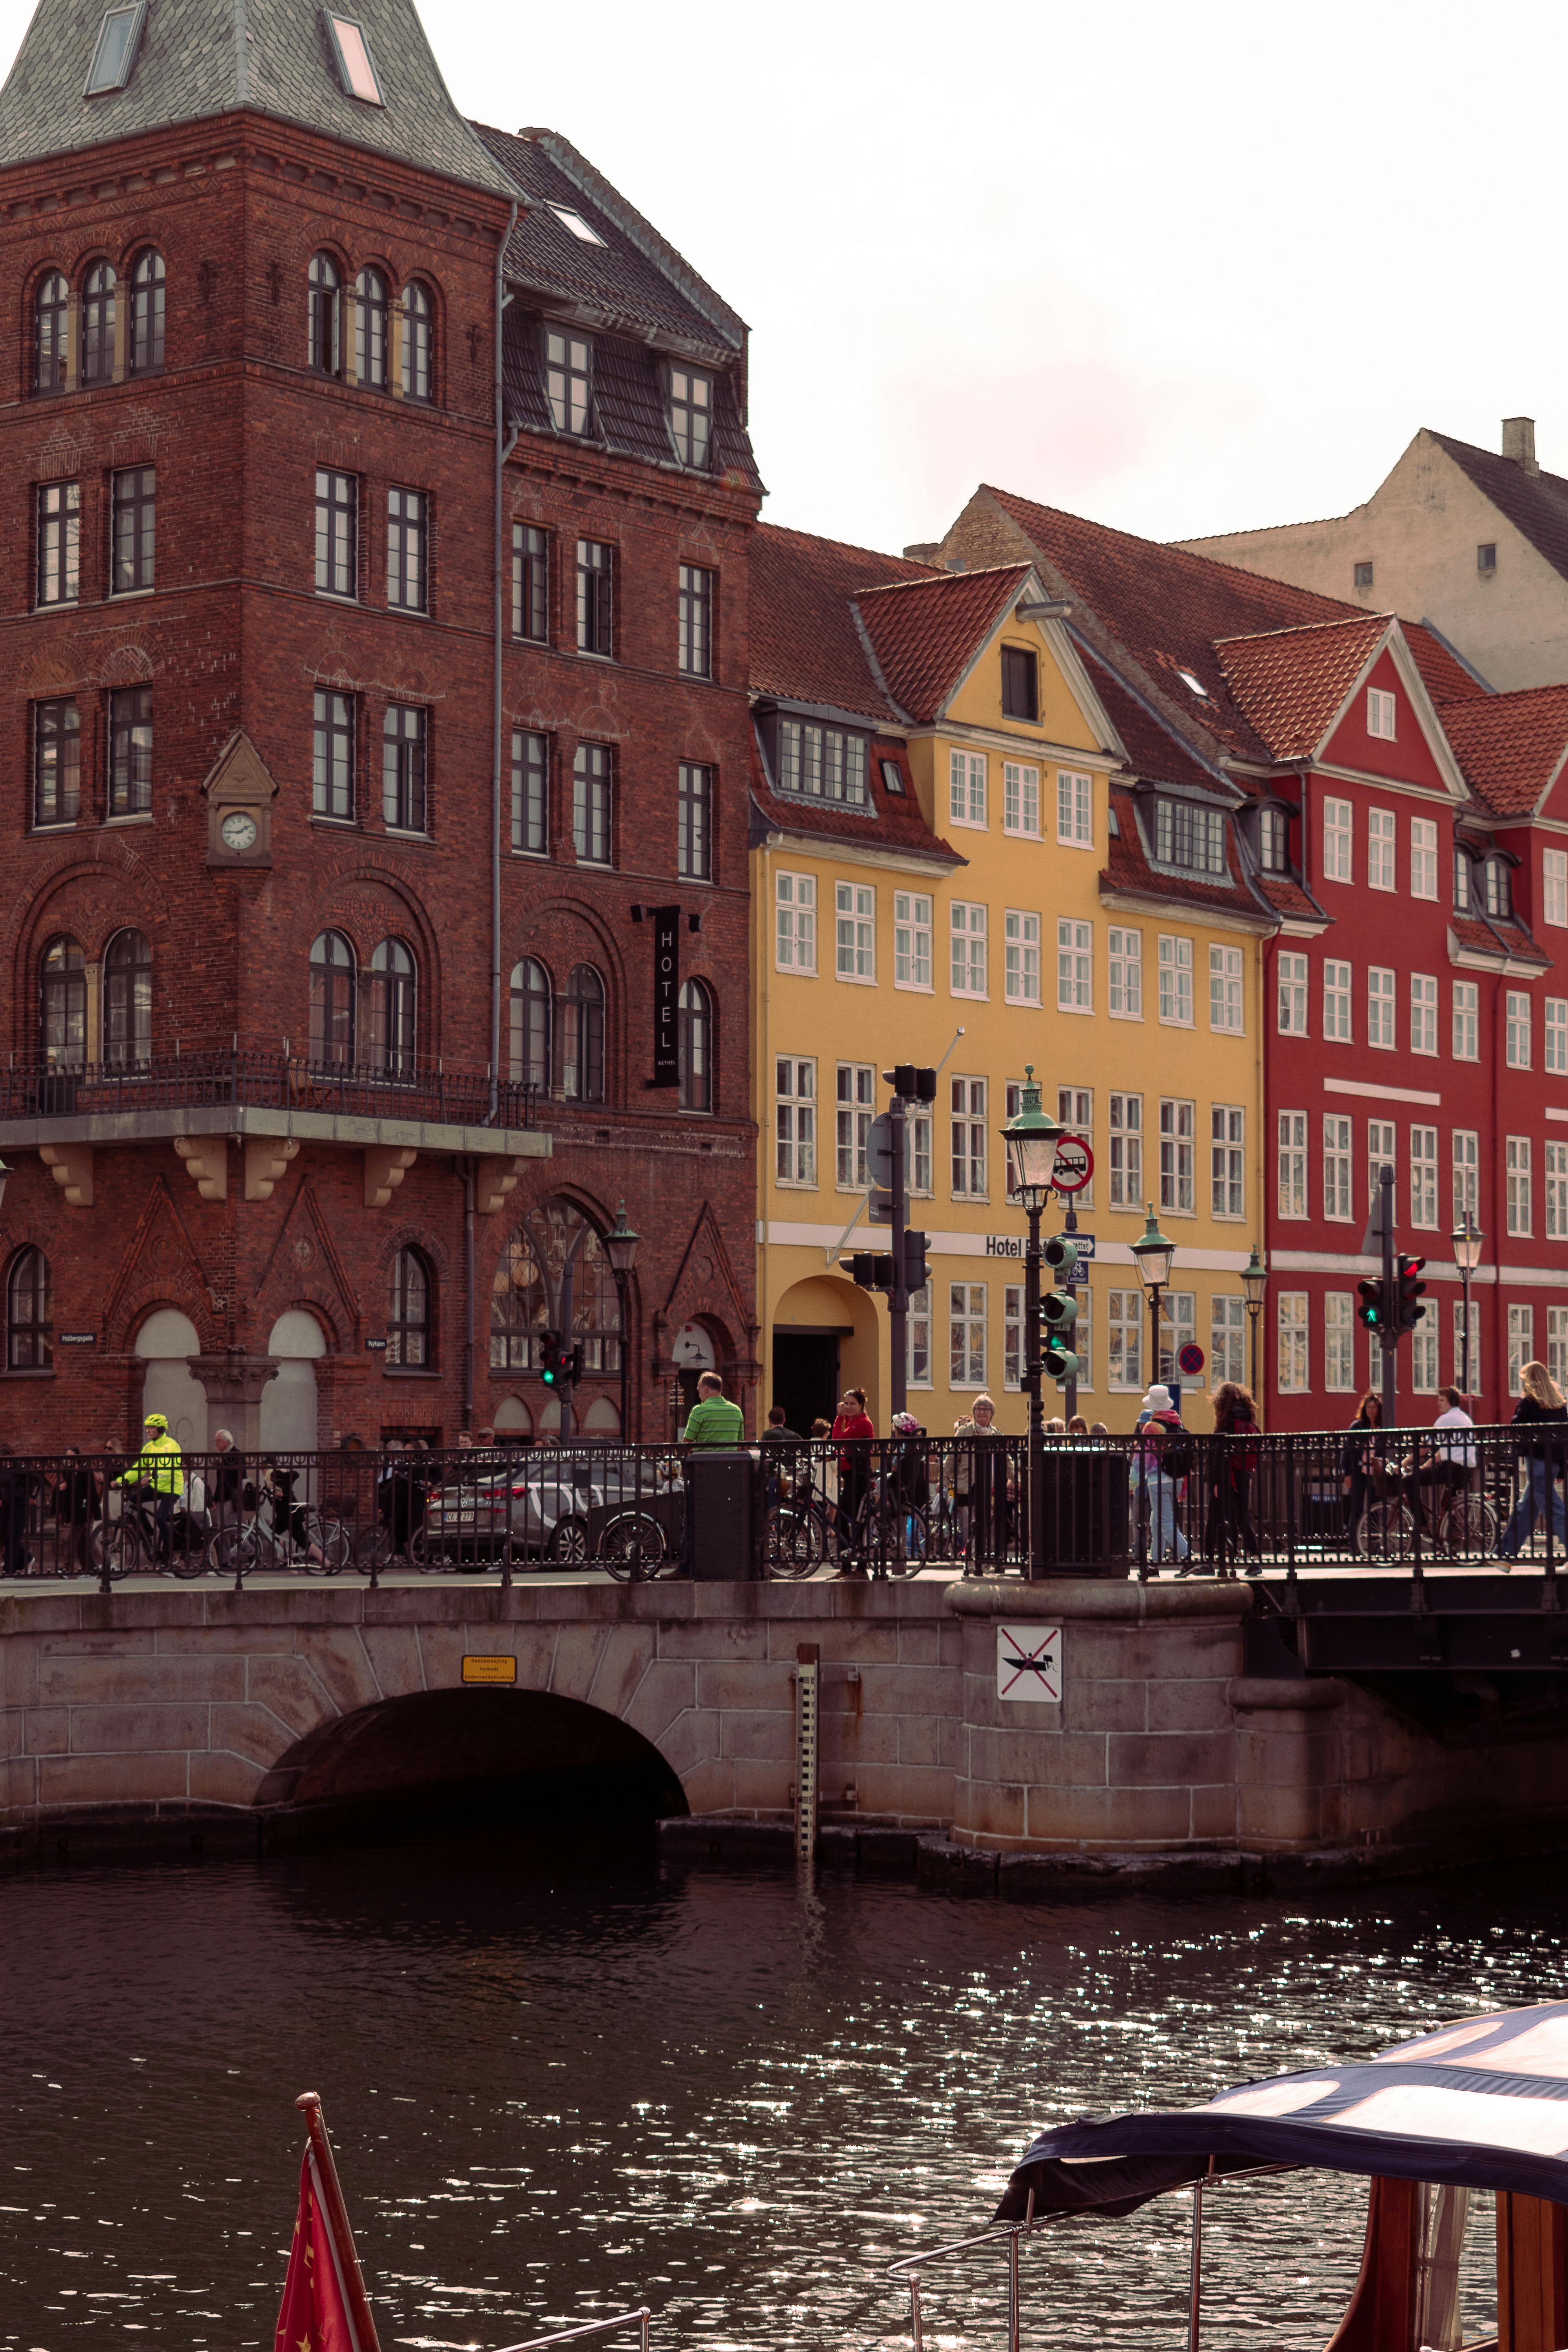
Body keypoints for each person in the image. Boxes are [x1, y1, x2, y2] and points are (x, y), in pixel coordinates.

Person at [1497, 1362, 1568, 1566]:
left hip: (1536, 1462)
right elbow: (1563, 1440)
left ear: (1529, 1381)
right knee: (1525, 1509)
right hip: (1553, 1463)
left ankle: (1504, 1555)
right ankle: (1504, 1556)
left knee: (1553, 1509)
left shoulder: (1529, 1402)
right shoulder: (1559, 1404)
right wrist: (1562, 1468)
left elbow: (1516, 1429)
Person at [1205, 1381, 1261, 1576]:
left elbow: (1218, 1455)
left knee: (1214, 1518)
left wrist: (1216, 1482)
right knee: (1242, 1517)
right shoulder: (1248, 1420)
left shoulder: (1226, 1423)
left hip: (1226, 1476)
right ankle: (1254, 1560)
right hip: (1244, 1475)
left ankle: (1209, 1562)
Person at [114, 1411, 184, 1565]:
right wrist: (121, 1480)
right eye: (147, 1428)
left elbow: (169, 1469)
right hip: (156, 1486)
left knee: (160, 1517)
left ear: (160, 1429)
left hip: (172, 1488)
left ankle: (169, 1554)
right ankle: (147, 1531)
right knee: (132, 1502)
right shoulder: (148, 1448)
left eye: (151, 1428)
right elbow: (138, 1468)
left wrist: (151, 1478)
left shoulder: (172, 1446)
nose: (148, 1431)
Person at [1132, 1385, 1189, 1572]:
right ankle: (1154, 1563)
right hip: (1176, 1479)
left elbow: (1142, 1457)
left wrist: (1133, 1482)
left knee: (1164, 1522)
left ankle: (1189, 1558)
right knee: (1156, 1520)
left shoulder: (1151, 1426)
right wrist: (1184, 1489)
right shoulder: (1177, 1424)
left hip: (1158, 1480)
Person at [953, 1393, 1009, 1570]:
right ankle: (970, 1560)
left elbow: (1007, 1460)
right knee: (967, 1524)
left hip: (989, 1485)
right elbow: (951, 1458)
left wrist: (1016, 1478)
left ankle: (985, 1559)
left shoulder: (997, 1433)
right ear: (974, 1412)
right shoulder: (964, 1432)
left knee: (986, 1524)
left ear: (992, 1413)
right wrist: (945, 1479)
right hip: (967, 1484)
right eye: (979, 1408)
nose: (982, 1412)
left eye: (986, 1409)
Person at [1415, 1388, 1477, 1533]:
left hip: (1451, 1469)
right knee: (1448, 1507)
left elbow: (1425, 1447)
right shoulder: (1465, 1418)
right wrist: (1425, 1466)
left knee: (1409, 1481)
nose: (1438, 1403)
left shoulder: (1446, 1419)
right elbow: (1445, 1453)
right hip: (1465, 1470)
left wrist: (1405, 1463)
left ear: (1450, 1402)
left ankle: (1422, 1525)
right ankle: (1449, 1540)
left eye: (1441, 1400)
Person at [831, 1388, 875, 1572]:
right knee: (848, 1521)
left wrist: (839, 1418)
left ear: (861, 1406)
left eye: (852, 1404)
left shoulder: (862, 1423)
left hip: (858, 1477)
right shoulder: (854, 1421)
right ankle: (849, 1567)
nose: (848, 1407)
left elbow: (837, 1440)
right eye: (846, 1403)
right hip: (851, 1475)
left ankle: (854, 1567)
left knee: (848, 1521)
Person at [1341, 1393, 1385, 1547]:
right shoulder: (1357, 1426)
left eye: (1374, 1407)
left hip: (1376, 1473)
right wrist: (1347, 1474)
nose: (1371, 1410)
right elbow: (1347, 1451)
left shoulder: (1383, 1427)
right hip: (1358, 1471)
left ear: (1379, 1410)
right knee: (1357, 1508)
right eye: (1368, 1407)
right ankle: (1354, 1546)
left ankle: (1374, 1546)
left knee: (1375, 1509)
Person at [52, 1444, 100, 1575]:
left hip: (83, 1508)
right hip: (73, 1510)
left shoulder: (85, 1472)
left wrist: (96, 1512)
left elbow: (92, 1493)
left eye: (72, 1457)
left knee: (73, 1538)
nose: (69, 1460)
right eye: (68, 1458)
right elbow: (65, 1491)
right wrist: (59, 1489)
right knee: (83, 1542)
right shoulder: (68, 1473)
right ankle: (89, 1569)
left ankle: (66, 1568)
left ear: (78, 1458)